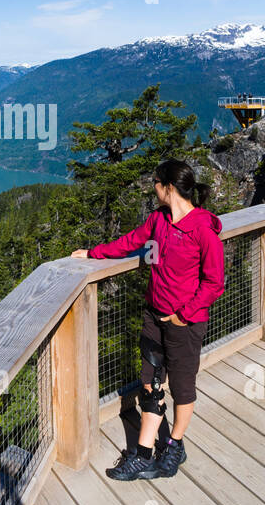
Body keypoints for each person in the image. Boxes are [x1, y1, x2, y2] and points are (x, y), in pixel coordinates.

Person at [70, 159, 224, 480]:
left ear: (168, 187)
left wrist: (183, 315)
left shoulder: (203, 230)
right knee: (150, 380)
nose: (152, 187)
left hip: (185, 323)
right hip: (154, 316)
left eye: (156, 182)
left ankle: (175, 444)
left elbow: (214, 282)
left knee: (182, 388)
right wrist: (93, 253)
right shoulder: (158, 219)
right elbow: (130, 242)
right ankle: (142, 454)